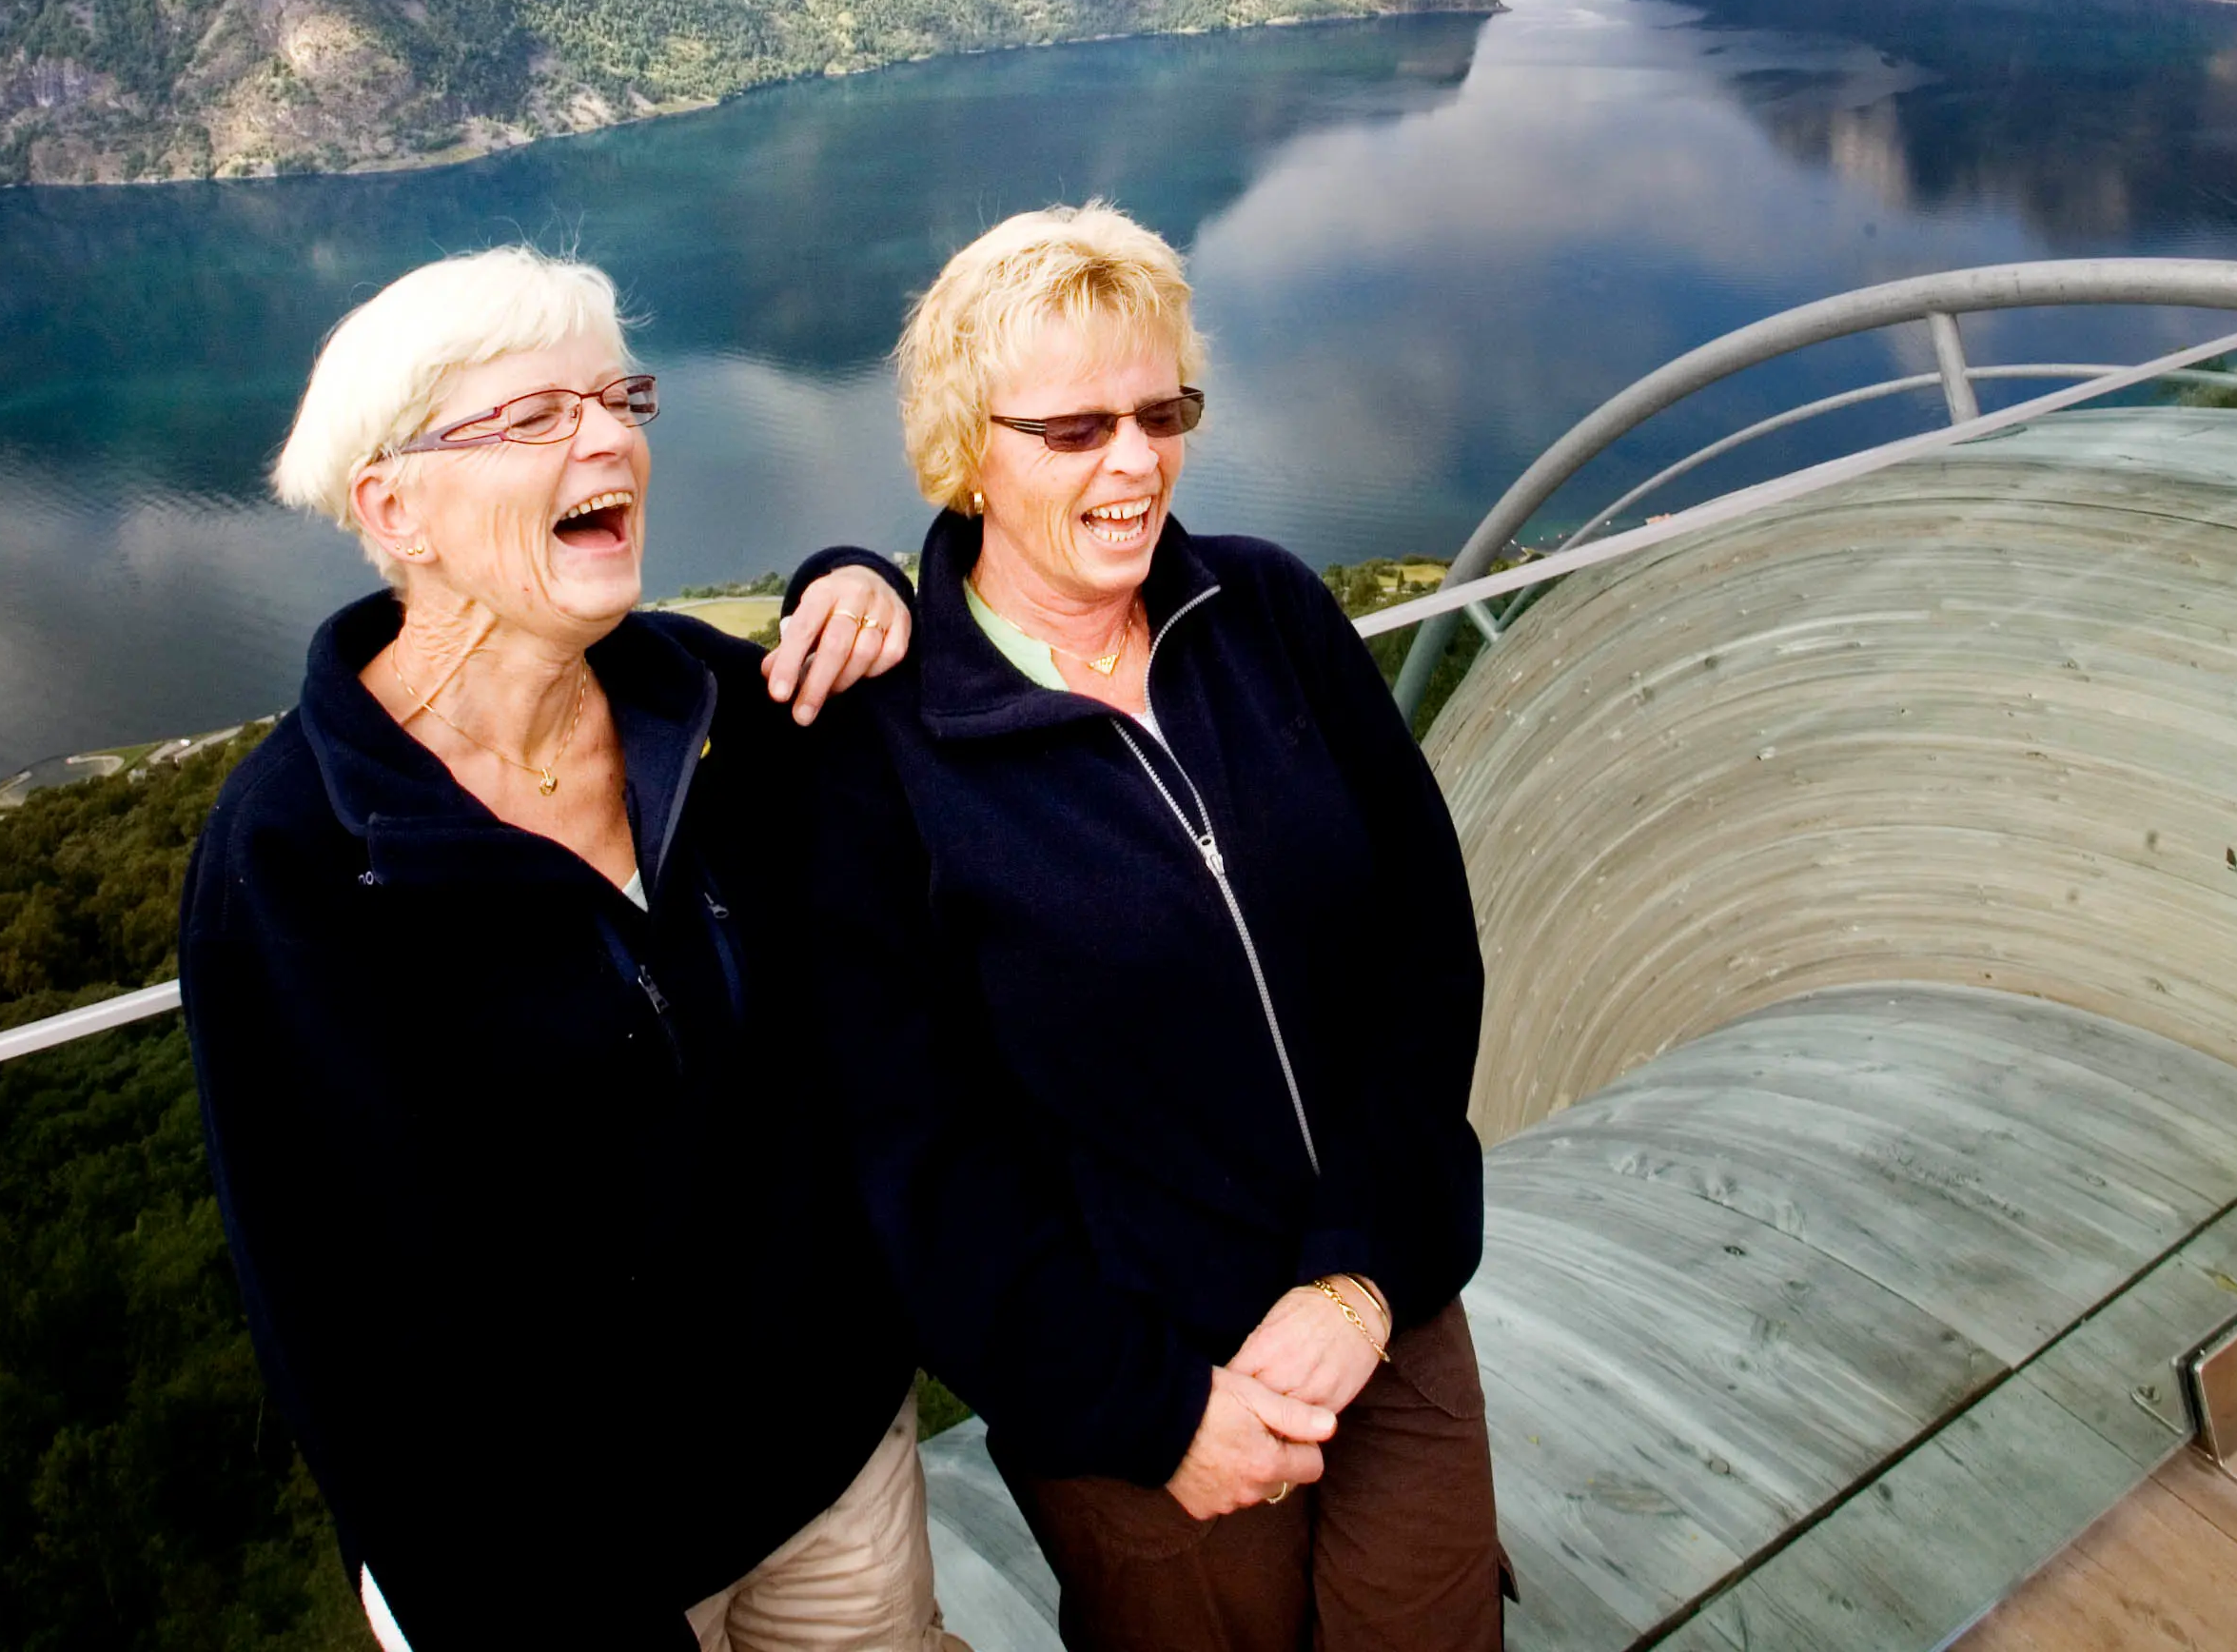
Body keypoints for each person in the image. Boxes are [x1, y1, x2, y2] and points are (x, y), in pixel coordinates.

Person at [180, 246, 965, 1652]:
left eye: (619, 400)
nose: (609, 439)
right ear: (394, 507)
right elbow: (349, 1325)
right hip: (566, 1565)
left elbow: (912, 844)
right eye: (536, 416)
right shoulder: (296, 855)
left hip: (833, 1461)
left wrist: (859, 582)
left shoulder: (703, 698)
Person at [806, 203, 1504, 1652]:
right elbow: (919, 1157)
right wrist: (1151, 1407)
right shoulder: (889, 746)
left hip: (1381, 1306)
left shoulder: (1271, 614)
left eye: (1162, 412)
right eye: (1074, 430)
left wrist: (1362, 1277)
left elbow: (1423, 957)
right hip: (1140, 1392)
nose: (1134, 462)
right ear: (966, 451)